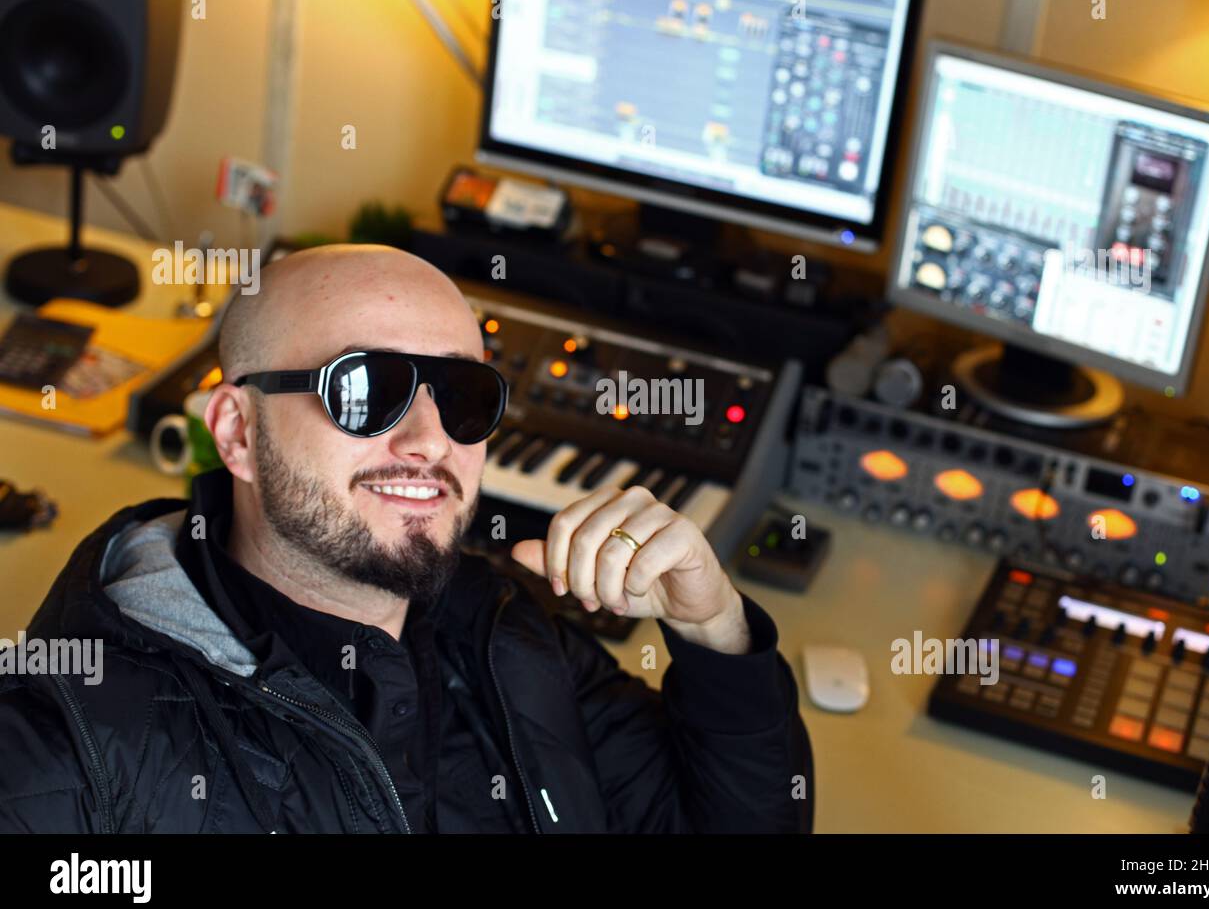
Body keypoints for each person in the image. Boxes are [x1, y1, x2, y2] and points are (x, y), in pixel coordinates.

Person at [0, 244, 814, 833]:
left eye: (460, 394)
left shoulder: (509, 633)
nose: (428, 440)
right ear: (237, 433)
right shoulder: (66, 748)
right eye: (365, 389)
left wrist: (715, 635)